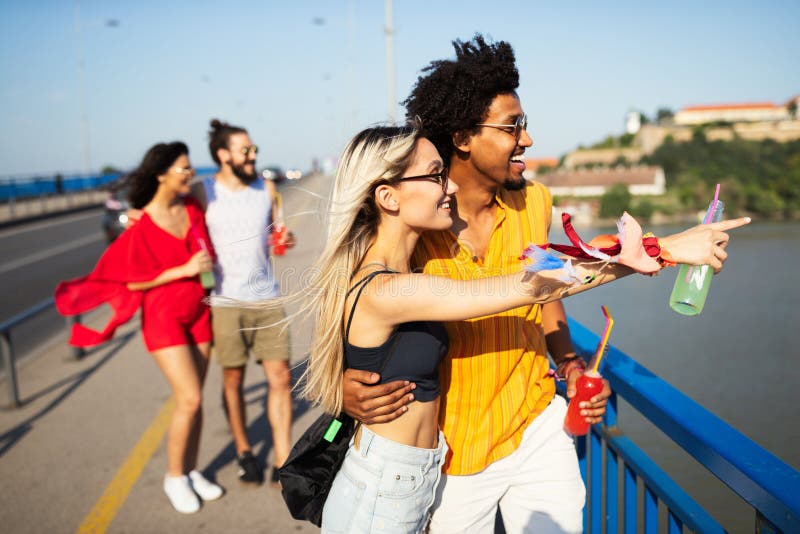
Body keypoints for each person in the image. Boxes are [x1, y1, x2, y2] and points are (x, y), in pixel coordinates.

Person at [341, 36, 751, 533]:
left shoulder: (532, 201)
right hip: (453, 451)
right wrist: (344, 391)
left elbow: (546, 290)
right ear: (464, 139)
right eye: (513, 127)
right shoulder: (412, 232)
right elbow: (354, 321)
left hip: (535, 423)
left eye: (525, 124)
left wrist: (569, 363)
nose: (528, 140)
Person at [268, 123, 740, 533]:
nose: (448, 186)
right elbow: (530, 288)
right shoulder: (386, 290)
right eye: (435, 176)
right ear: (388, 196)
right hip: (384, 490)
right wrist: (665, 249)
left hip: (410, 478)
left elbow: (546, 273)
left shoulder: (405, 272)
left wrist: (635, 254)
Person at [55, 142, 224, 514]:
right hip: (164, 320)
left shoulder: (193, 204)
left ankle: (192, 469)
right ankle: (174, 477)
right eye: (183, 168)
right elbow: (127, 280)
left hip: (200, 313)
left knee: (196, 403)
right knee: (189, 398)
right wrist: (182, 271)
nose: (190, 172)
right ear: (162, 173)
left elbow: (224, 189)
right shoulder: (141, 223)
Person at [191, 119, 294, 485]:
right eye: (245, 150)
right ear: (223, 155)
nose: (253, 155)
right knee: (232, 380)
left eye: (254, 150)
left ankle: (283, 458)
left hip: (267, 298)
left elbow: (279, 235)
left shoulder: (265, 188)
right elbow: (174, 216)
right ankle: (244, 451)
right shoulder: (203, 191)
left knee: (280, 378)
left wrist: (286, 238)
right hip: (225, 302)